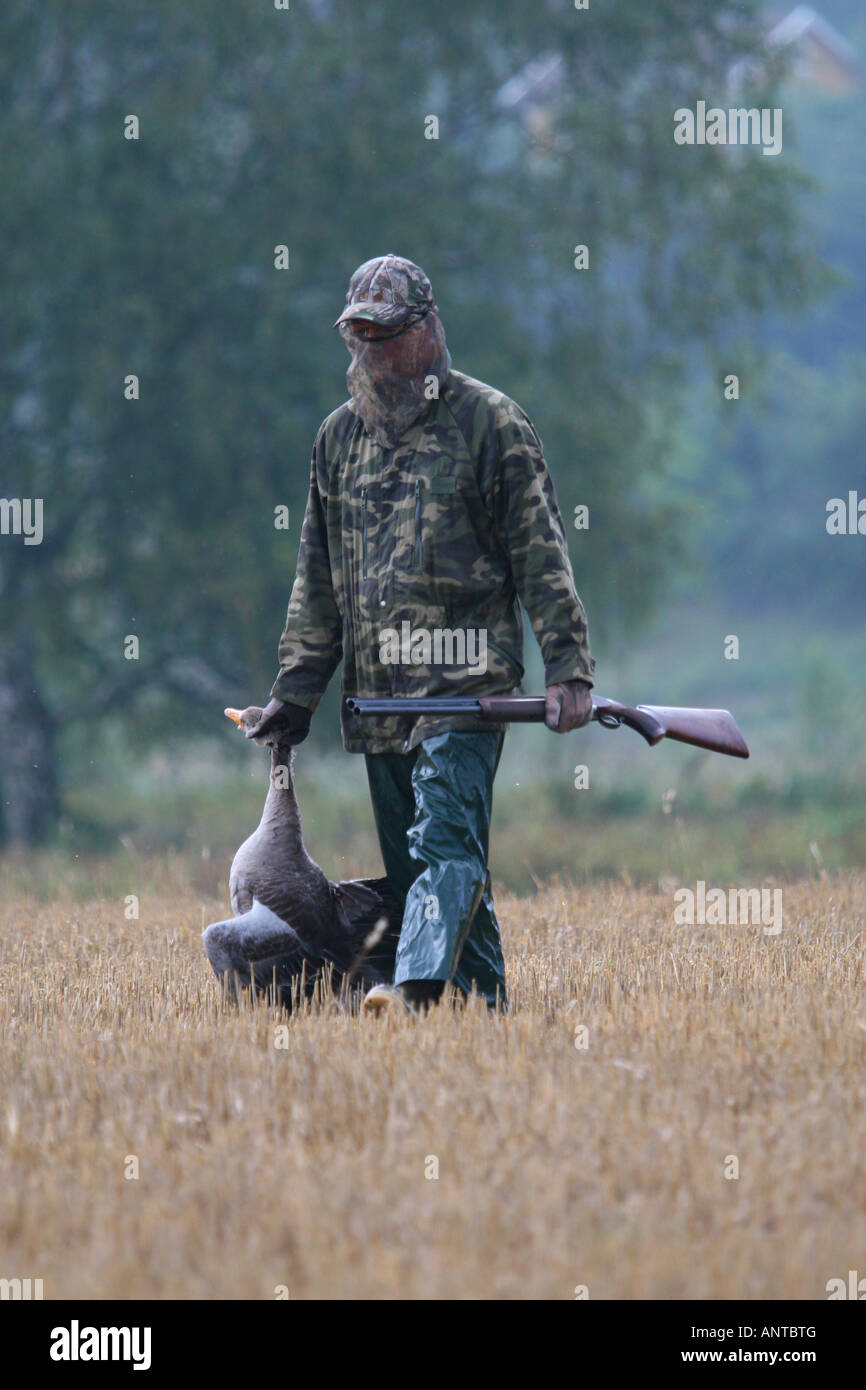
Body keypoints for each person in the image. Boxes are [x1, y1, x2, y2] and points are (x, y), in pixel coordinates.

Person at [248, 253, 594, 1014]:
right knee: (427, 873)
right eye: (359, 336)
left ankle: (411, 996)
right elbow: (318, 580)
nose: (371, 351)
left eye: (386, 334)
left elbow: (541, 552)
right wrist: (295, 697)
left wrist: (567, 665)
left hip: (467, 694)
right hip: (378, 701)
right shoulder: (336, 442)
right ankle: (483, 1019)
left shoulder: (490, 423)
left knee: (443, 849)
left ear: (427, 331)